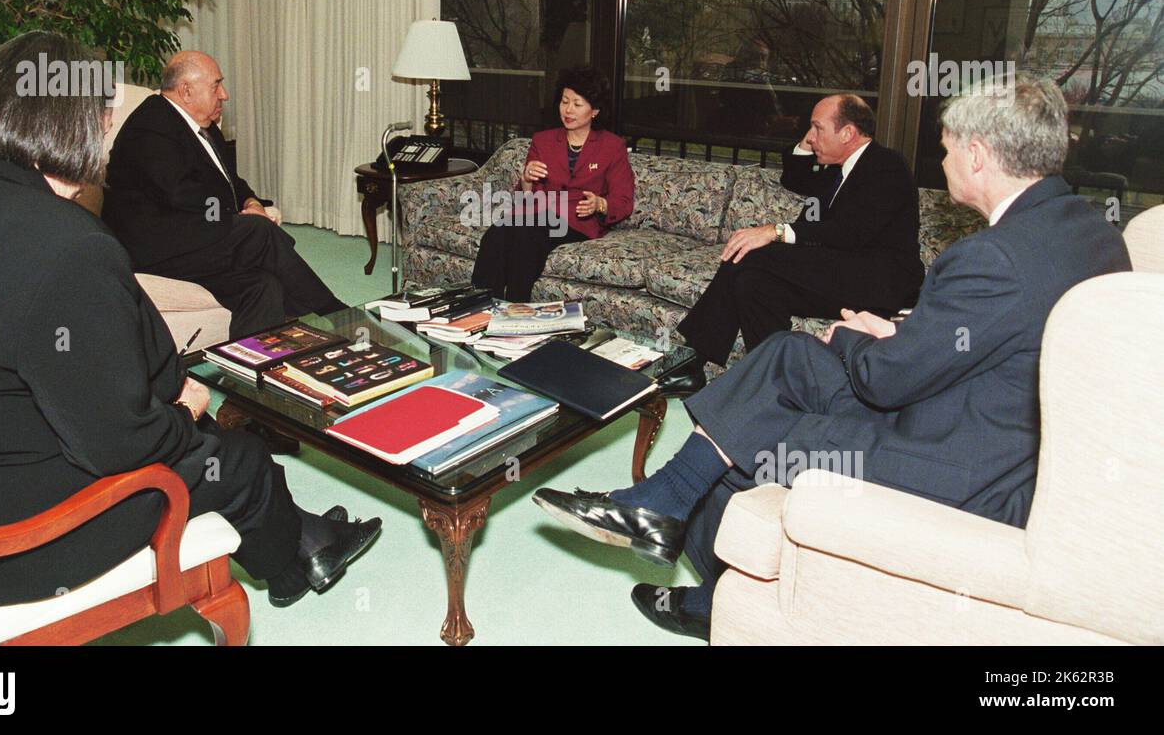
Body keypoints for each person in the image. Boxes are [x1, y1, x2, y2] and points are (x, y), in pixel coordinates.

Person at [533, 75, 1131, 640]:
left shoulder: (992, 257)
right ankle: (658, 503)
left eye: (946, 148)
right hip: (973, 410)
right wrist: (905, 333)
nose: (941, 161)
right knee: (787, 355)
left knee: (742, 444)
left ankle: (713, 600)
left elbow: (885, 381)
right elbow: (994, 339)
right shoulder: (1091, 230)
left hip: (960, 460)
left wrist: (856, 337)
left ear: (978, 155)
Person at [0, 32, 379, 610]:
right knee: (235, 456)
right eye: (103, 118)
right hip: (7, 545)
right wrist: (187, 408)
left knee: (207, 439)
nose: (107, 133)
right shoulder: (70, 247)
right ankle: (291, 563)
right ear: (76, 126)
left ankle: (303, 539)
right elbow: (121, 446)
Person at [674, 93, 923, 382]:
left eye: (818, 128)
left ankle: (689, 361)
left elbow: (848, 233)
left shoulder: (886, 166)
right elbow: (794, 177)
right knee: (753, 284)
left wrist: (775, 231)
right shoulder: (839, 168)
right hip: (841, 271)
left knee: (755, 254)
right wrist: (811, 140)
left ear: (848, 133)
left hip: (878, 281)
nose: (812, 136)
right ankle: (777, 380)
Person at [102, 51, 345, 339]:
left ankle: (251, 368)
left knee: (262, 285)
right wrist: (241, 215)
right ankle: (338, 315)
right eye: (216, 85)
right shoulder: (151, 126)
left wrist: (251, 202)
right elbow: (181, 193)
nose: (224, 95)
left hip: (193, 239)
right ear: (186, 91)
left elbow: (231, 181)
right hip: (155, 249)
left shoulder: (202, 126)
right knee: (257, 231)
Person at [470, 65, 635, 301]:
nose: (568, 110)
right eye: (564, 101)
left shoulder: (612, 146)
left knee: (526, 234)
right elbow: (526, 197)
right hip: (537, 214)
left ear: (595, 111)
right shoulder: (543, 140)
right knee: (496, 234)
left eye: (577, 104)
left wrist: (599, 204)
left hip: (577, 222)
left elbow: (623, 201)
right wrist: (526, 179)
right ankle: (477, 309)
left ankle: (517, 310)